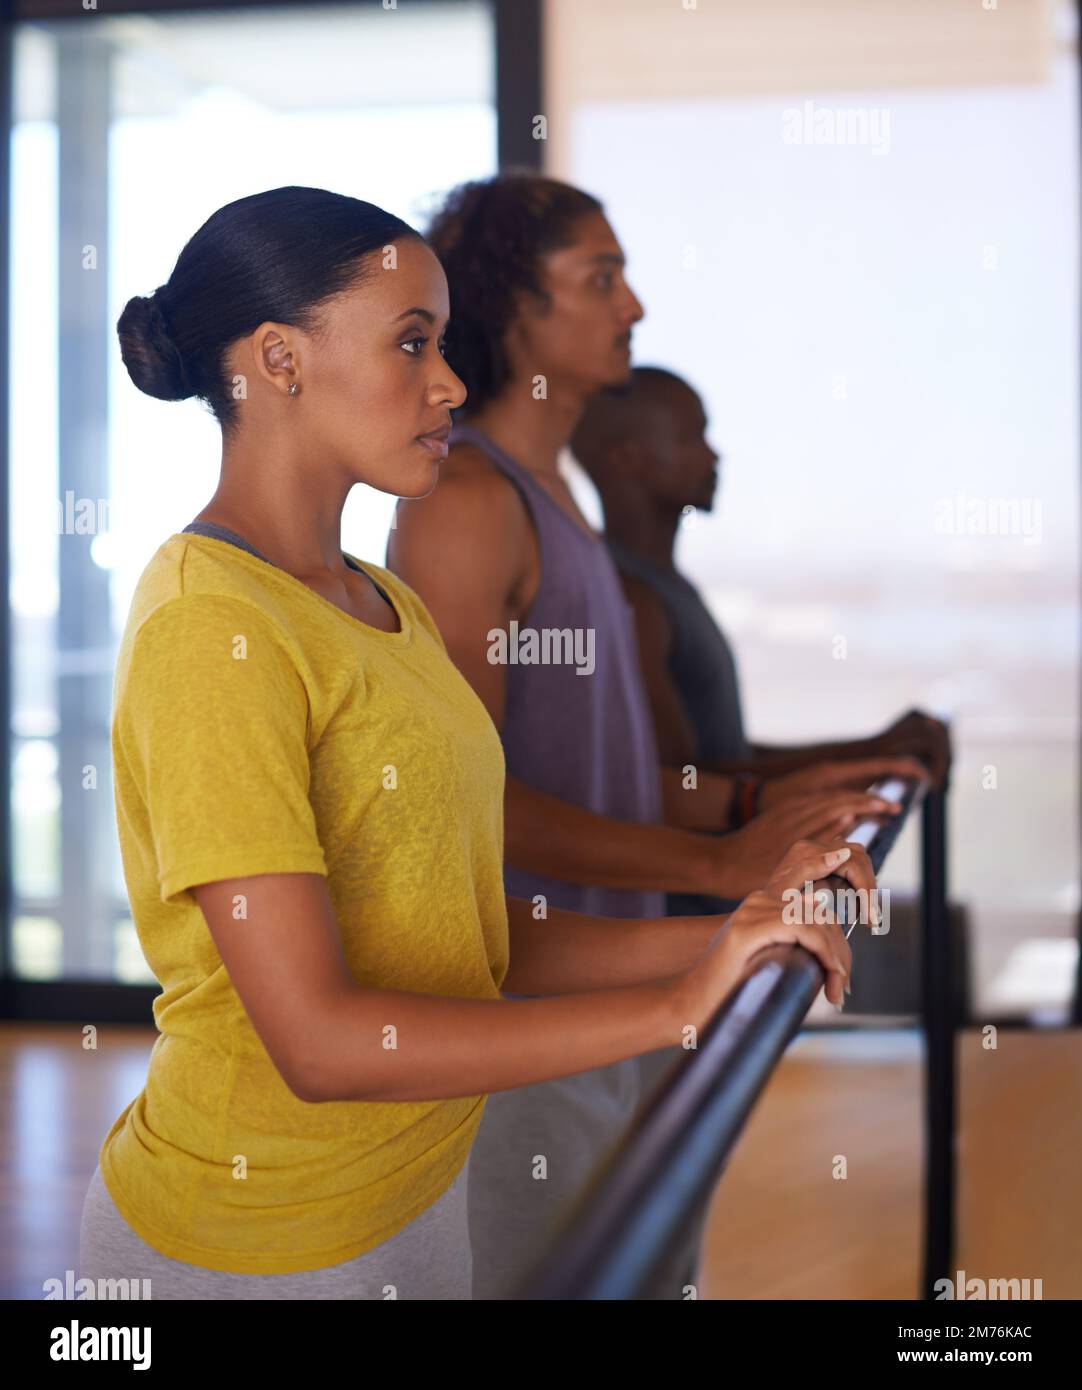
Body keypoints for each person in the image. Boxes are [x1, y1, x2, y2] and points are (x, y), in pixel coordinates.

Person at [81, 184, 879, 1301]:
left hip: (414, 1203)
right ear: (277, 361)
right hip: (248, 1243)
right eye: (411, 344)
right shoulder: (210, 626)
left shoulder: (380, 604)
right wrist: (671, 1006)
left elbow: (465, 938)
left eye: (443, 343)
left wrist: (730, 932)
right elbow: (316, 1042)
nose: (449, 382)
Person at [386, 172, 915, 1298]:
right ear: (515, 307)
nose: (631, 309)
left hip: (613, 990)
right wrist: (718, 864)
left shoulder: (555, 494)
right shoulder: (466, 502)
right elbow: (467, 802)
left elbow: (609, 763)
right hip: (529, 1007)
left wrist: (768, 809)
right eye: (600, 279)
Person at [569, 364, 952, 918]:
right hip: (686, 916)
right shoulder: (631, 599)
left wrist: (874, 750)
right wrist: (869, 752)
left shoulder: (658, 585)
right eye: (691, 436)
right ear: (629, 458)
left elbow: (723, 760)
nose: (713, 456)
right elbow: (687, 781)